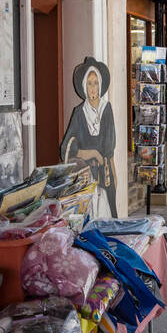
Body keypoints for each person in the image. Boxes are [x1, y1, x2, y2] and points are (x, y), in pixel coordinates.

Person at [60, 57, 117, 218]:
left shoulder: (107, 109)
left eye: (96, 82)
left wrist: (113, 175)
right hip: (85, 175)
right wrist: (91, 153)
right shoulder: (79, 112)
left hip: (105, 175)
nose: (93, 88)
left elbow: (110, 148)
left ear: (100, 84)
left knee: (108, 216)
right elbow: (66, 148)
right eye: (89, 83)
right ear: (84, 86)